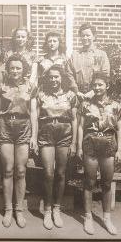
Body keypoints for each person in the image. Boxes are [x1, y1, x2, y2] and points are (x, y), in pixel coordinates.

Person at [76, 74, 121, 235]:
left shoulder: (115, 105)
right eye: (95, 85)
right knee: (89, 181)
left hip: (109, 144)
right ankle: (88, 217)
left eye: (100, 85)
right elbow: (81, 127)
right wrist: (79, 147)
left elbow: (119, 129)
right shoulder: (85, 104)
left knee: (107, 183)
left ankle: (107, 218)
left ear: (107, 86)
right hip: (91, 143)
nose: (97, 88)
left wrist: (120, 150)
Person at [0, 53, 38, 228]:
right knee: (7, 169)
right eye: (12, 68)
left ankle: (18, 210)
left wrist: (34, 136)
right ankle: (7, 209)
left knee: (20, 170)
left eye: (18, 68)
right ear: (8, 69)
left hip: (23, 127)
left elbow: (34, 112)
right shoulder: (1, 86)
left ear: (24, 70)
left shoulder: (31, 87)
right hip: (6, 126)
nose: (15, 71)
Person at [37, 64, 77, 230]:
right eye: (51, 77)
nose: (53, 80)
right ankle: (47, 210)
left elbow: (75, 119)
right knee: (48, 173)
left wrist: (74, 142)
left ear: (62, 78)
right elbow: (35, 116)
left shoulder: (71, 95)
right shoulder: (41, 95)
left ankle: (56, 209)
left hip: (64, 134)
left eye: (57, 77)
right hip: (46, 133)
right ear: (47, 78)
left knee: (60, 173)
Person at [67, 22, 110, 94]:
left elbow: (105, 75)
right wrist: (76, 91)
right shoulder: (74, 55)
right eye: (82, 36)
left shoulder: (101, 55)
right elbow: (69, 74)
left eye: (88, 35)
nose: (85, 38)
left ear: (94, 37)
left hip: (96, 94)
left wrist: (93, 92)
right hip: (78, 95)